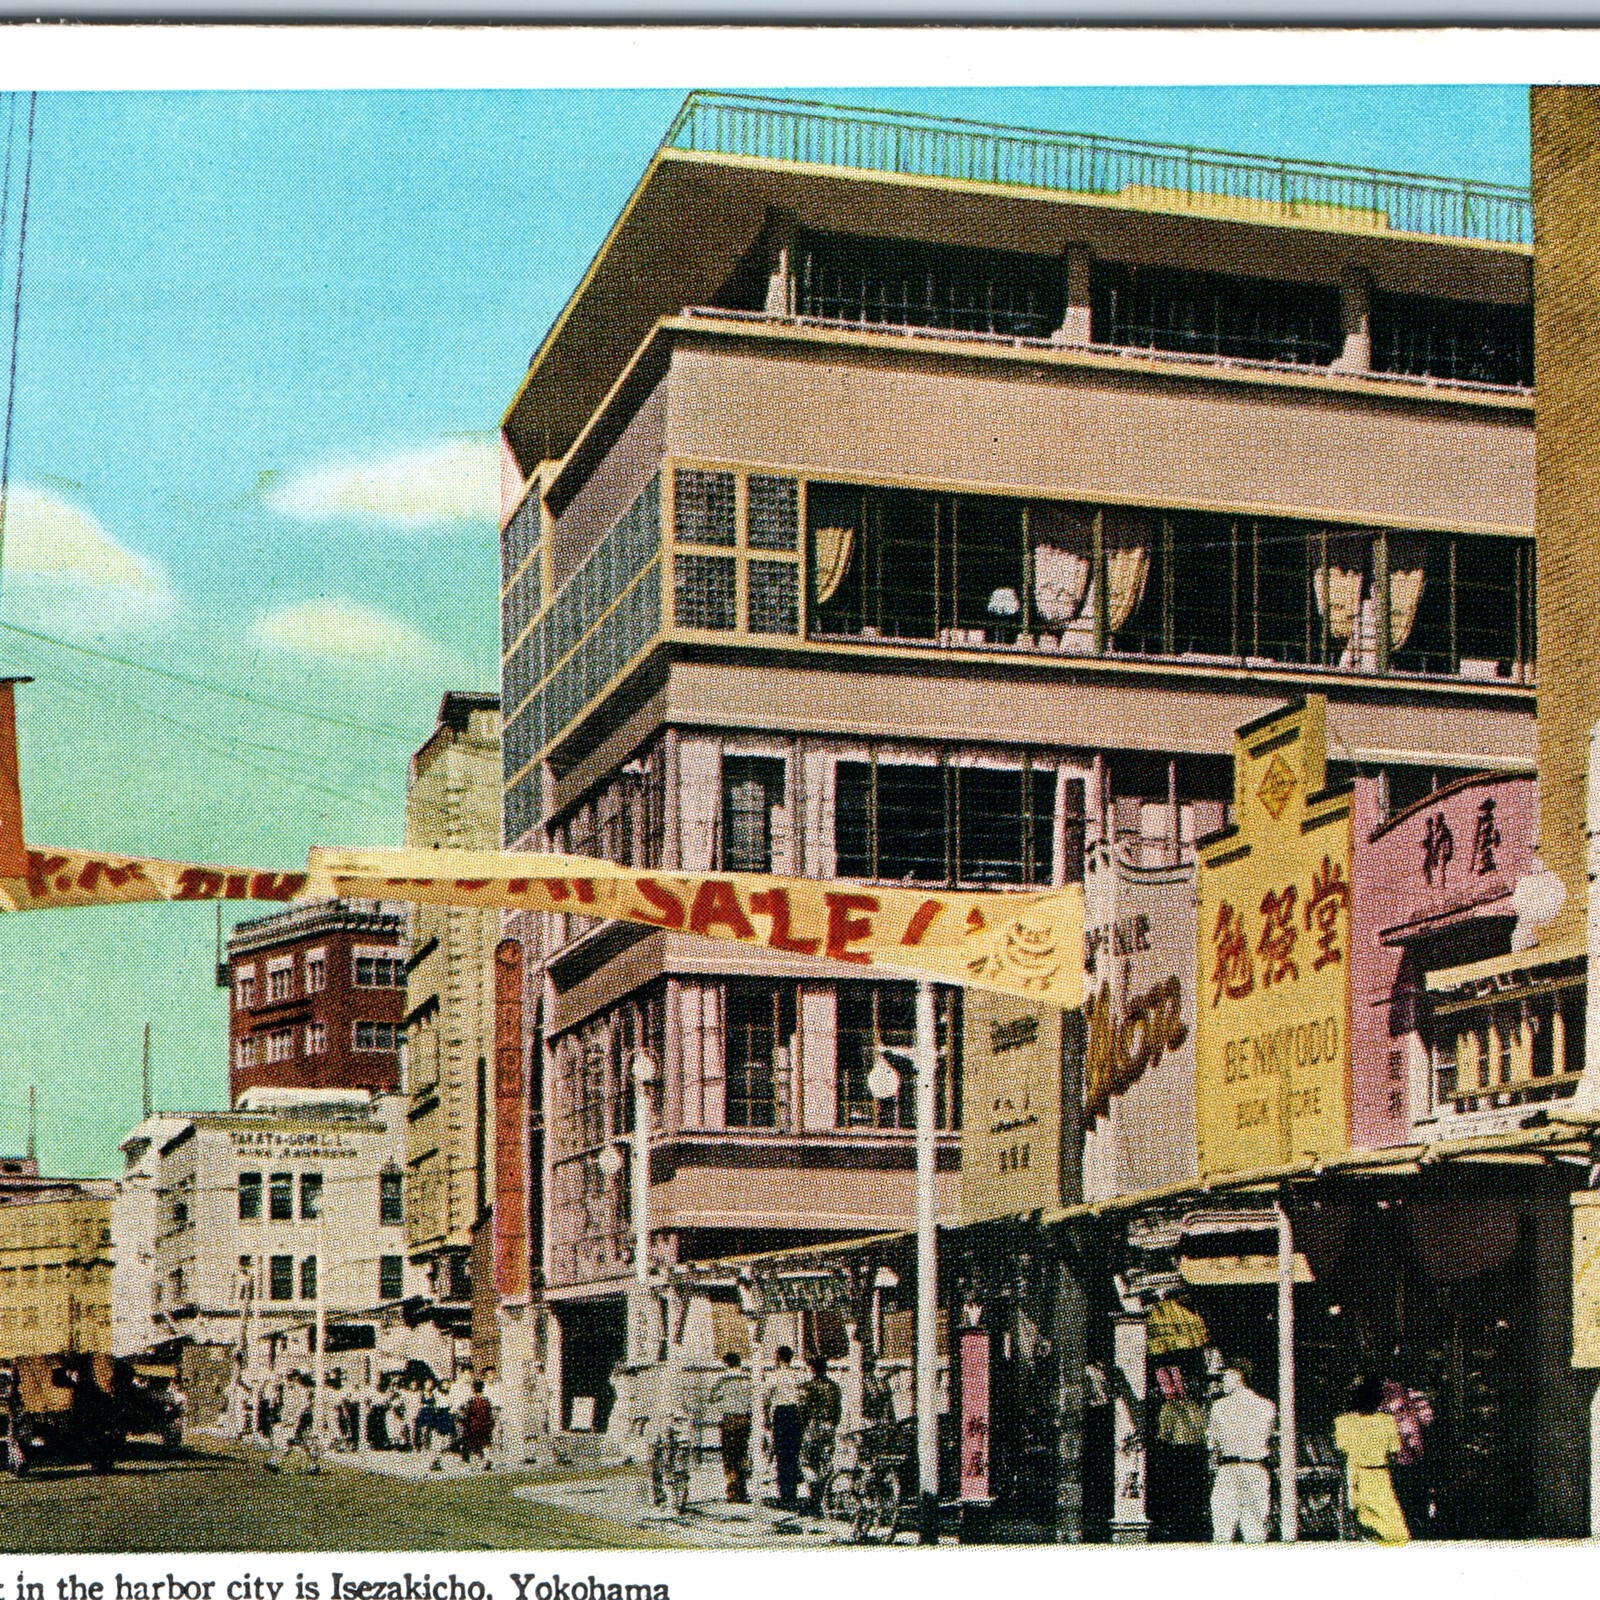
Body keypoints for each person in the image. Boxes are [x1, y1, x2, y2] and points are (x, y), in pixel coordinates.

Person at [1206, 1360, 1276, 1544]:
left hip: (1228, 1469)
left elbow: (1211, 1444)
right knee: (1255, 1531)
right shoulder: (1267, 1406)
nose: (1222, 1381)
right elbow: (1268, 1436)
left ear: (1238, 1376)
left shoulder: (1219, 1407)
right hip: (1256, 1469)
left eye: (1225, 1376)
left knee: (1222, 1530)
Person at [1334, 1376, 1411, 1544]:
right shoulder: (1386, 1421)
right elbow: (1394, 1452)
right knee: (1391, 1530)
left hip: (1368, 1475)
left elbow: (1341, 1451)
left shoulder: (1343, 1422)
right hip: (1372, 1475)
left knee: (1374, 1526)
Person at [799, 1354, 842, 1512]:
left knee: (807, 1460)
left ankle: (814, 1495)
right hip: (829, 1426)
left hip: (814, 1425)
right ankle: (824, 1494)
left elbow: (803, 1410)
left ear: (812, 1369)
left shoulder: (807, 1387)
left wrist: (804, 1426)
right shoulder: (834, 1387)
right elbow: (838, 1410)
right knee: (825, 1460)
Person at [710, 1350, 753, 1503]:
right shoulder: (748, 1379)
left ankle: (732, 1492)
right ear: (739, 1363)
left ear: (726, 1363)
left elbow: (712, 1398)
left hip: (729, 1419)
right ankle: (743, 1490)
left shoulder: (722, 1379)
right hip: (744, 1419)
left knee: (729, 1456)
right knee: (742, 1454)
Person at [765, 1345, 804, 1510]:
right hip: (795, 1414)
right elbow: (802, 1397)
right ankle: (792, 1492)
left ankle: (785, 1494)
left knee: (781, 1454)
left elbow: (765, 1398)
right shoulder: (798, 1375)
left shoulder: (774, 1376)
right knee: (793, 1453)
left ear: (779, 1357)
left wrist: (767, 1417)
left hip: (781, 1414)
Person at [460, 1379, 495, 1469]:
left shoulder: (471, 1402)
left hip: (473, 1426)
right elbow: (490, 1414)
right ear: (483, 1388)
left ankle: (476, 1464)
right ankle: (488, 1459)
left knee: (474, 1445)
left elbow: (467, 1415)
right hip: (485, 1425)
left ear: (473, 1389)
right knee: (486, 1443)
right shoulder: (486, 1401)